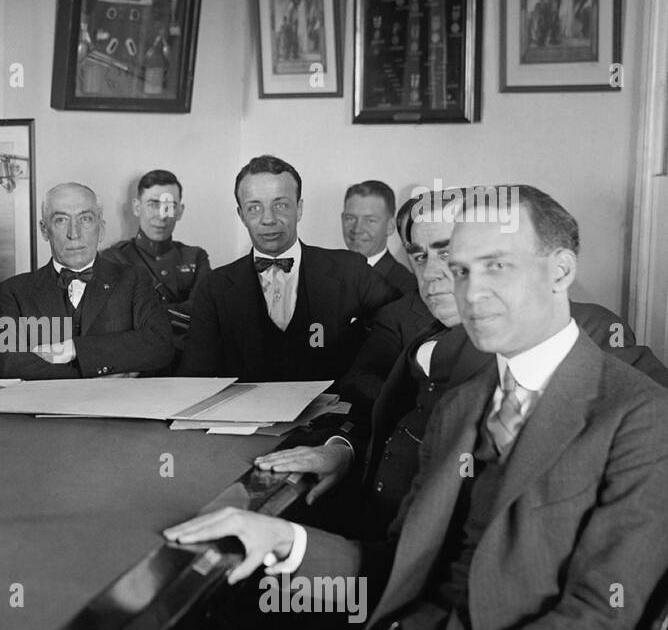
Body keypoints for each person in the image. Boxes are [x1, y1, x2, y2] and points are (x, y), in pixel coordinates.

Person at [163, 186, 668, 630]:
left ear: (560, 270)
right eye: (459, 269)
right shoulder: (459, 407)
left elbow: (598, 622)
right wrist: (288, 541)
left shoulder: (638, 416)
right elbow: (403, 565)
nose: (469, 290)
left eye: (497, 266)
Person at [257, 187, 666, 536]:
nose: (435, 275)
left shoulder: (585, 329)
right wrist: (344, 450)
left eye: (450, 254)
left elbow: (648, 418)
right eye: (419, 256)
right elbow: (387, 418)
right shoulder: (423, 333)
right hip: (378, 534)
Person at [180, 155, 401, 381]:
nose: (268, 219)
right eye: (254, 207)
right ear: (242, 216)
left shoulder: (350, 271)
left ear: (300, 209)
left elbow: (403, 326)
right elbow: (197, 377)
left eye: (281, 205)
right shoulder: (215, 287)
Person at [0, 183, 173, 379]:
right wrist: (102, 368)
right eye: (61, 220)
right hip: (47, 406)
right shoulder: (13, 292)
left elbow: (160, 345)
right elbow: (5, 363)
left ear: (100, 228)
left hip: (119, 406)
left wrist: (73, 349)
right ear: (44, 230)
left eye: (85, 219)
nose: (74, 233)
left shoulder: (134, 279)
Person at [101, 169, 210, 361]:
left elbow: (202, 313)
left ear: (180, 211)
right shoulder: (114, 259)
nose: (162, 215)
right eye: (153, 204)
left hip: (187, 364)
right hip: (137, 364)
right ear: (136, 207)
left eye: (170, 206)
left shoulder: (195, 257)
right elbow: (118, 321)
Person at [340, 179, 416, 296]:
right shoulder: (323, 275)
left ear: (390, 226)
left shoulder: (405, 287)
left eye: (370, 221)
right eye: (350, 218)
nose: (357, 229)